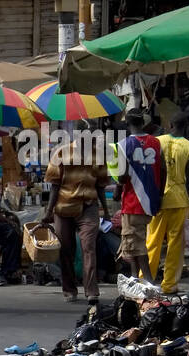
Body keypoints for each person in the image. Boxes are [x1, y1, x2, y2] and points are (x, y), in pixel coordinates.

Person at [43, 120, 112, 304]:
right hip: (63, 208)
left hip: (88, 207)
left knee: (89, 248)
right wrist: (48, 212)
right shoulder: (61, 152)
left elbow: (101, 186)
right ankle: (69, 289)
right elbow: (54, 186)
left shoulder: (98, 155)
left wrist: (105, 211)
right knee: (66, 250)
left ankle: (91, 291)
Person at [147, 111, 189, 294]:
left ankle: (144, 280)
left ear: (170, 124)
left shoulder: (157, 141)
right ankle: (169, 285)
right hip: (179, 199)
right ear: (187, 126)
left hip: (158, 199)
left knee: (153, 241)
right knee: (175, 245)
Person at [113, 108, 163, 281]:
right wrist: (160, 195)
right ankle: (135, 277)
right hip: (152, 200)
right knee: (132, 243)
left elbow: (122, 176)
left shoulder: (123, 145)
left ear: (127, 124)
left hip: (133, 201)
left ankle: (147, 279)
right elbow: (163, 171)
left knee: (136, 243)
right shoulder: (156, 143)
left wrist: (118, 190)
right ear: (144, 123)